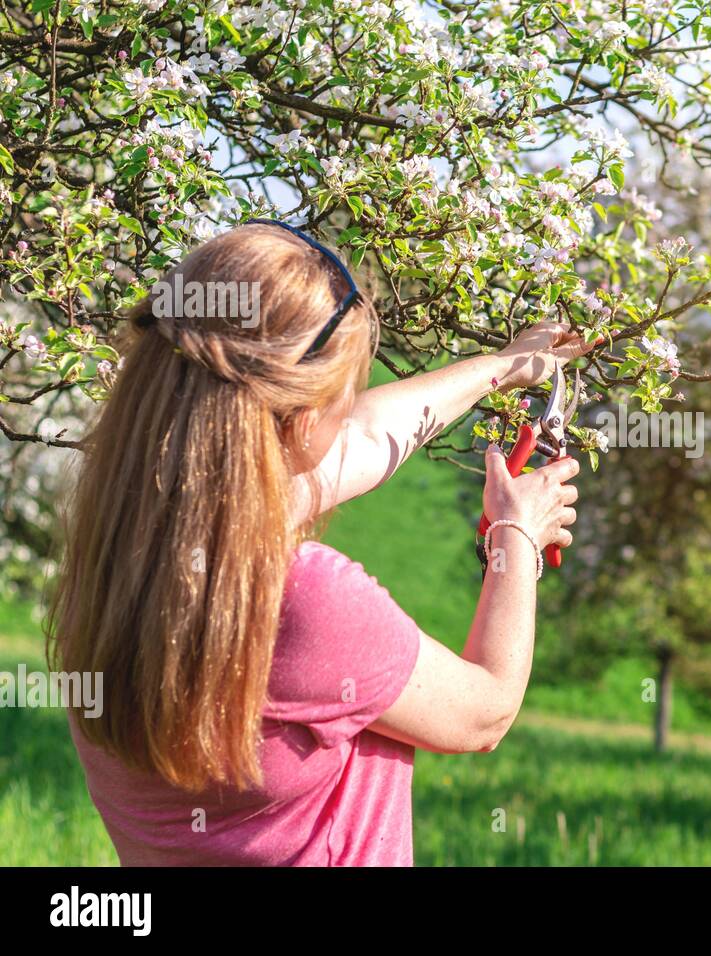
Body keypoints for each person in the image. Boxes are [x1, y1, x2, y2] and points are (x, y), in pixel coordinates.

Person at [48, 220, 590, 865]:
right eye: (343, 393)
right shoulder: (305, 600)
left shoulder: (121, 537)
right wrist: (516, 539)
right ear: (302, 421)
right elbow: (483, 715)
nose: (350, 409)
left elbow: (360, 438)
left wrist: (501, 369)